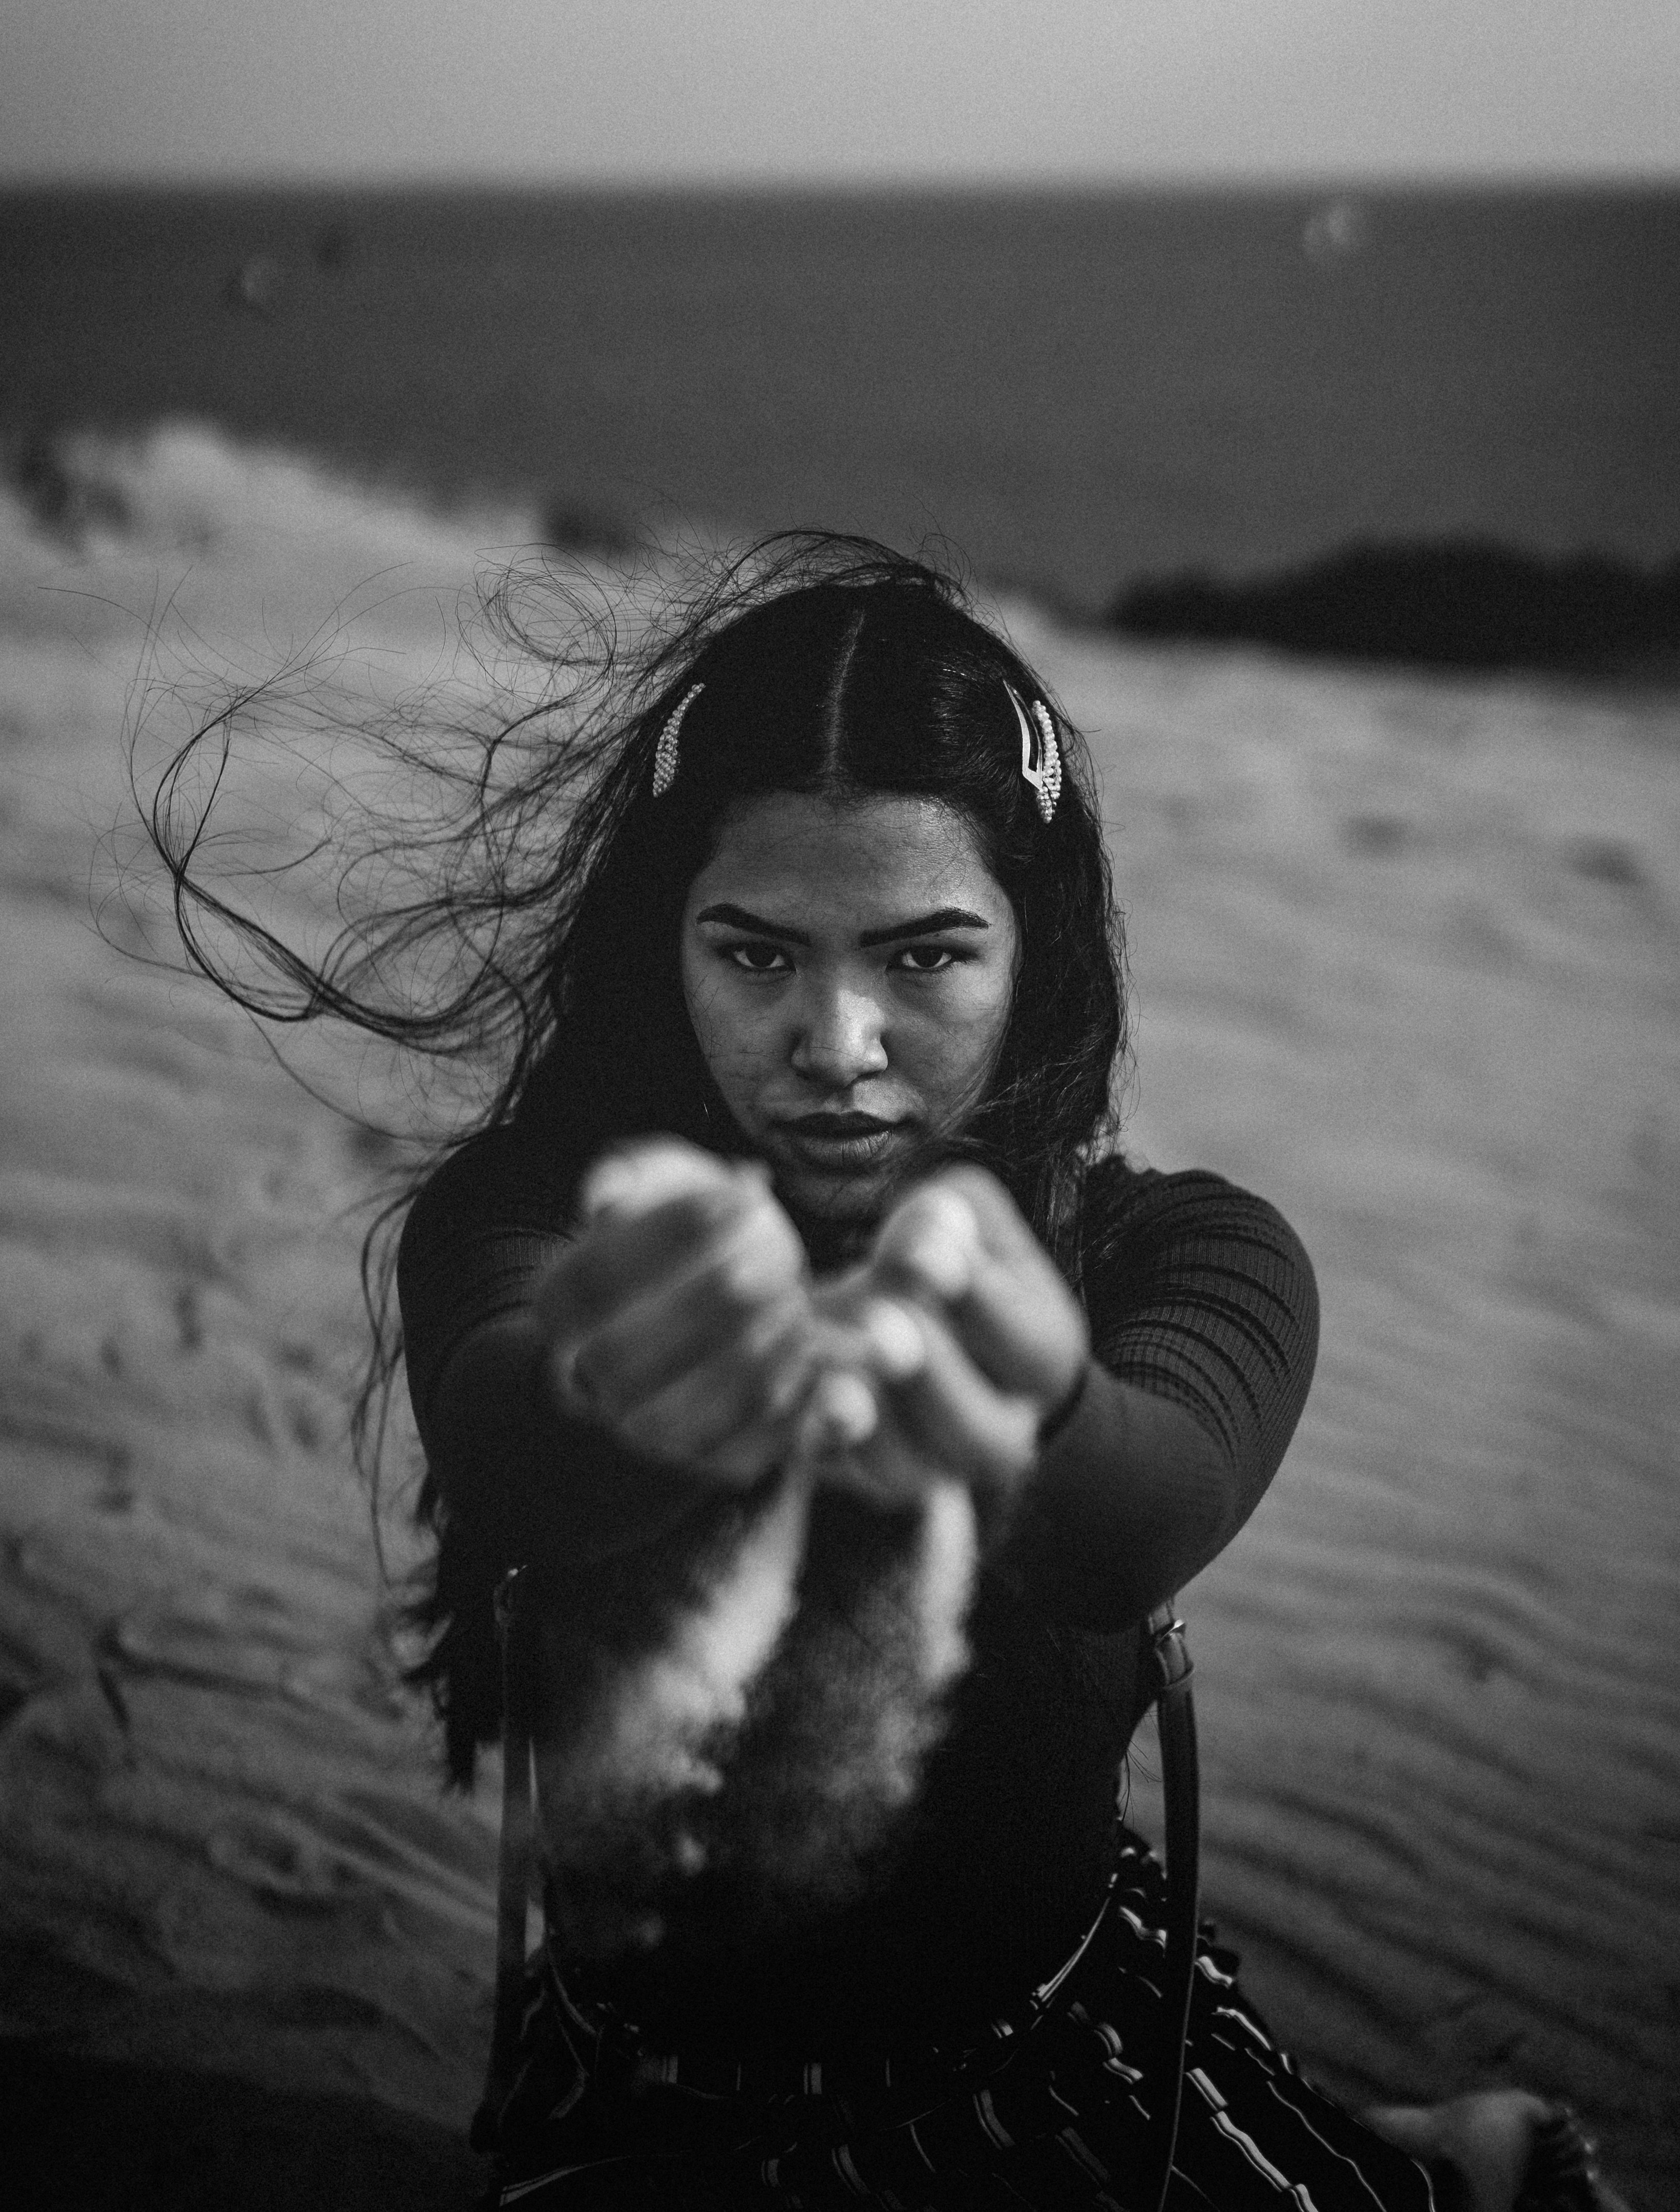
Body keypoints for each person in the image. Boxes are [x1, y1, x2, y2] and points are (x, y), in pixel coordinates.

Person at [152, 535, 1621, 2210]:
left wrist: (1026, 1383)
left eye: (922, 958)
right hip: (639, 2107)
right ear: (668, 946)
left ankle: (1454, 2161)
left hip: (1057, 2079)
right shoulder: (529, 1217)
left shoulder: (1182, 1258)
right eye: (758, 953)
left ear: (1033, 956)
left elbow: (1129, 1520)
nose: (836, 1045)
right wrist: (676, 1348)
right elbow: (515, 1450)